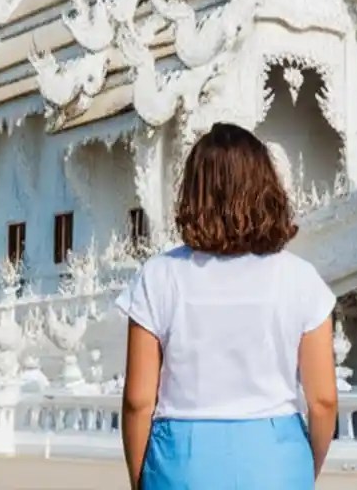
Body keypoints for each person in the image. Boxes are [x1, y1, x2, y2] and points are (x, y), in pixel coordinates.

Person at [115, 122, 338, 490]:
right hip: (275, 457)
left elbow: (138, 401)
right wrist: (301, 468)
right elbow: (324, 400)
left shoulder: (158, 276)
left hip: (182, 459)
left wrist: (141, 480)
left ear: (192, 191)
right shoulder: (301, 279)